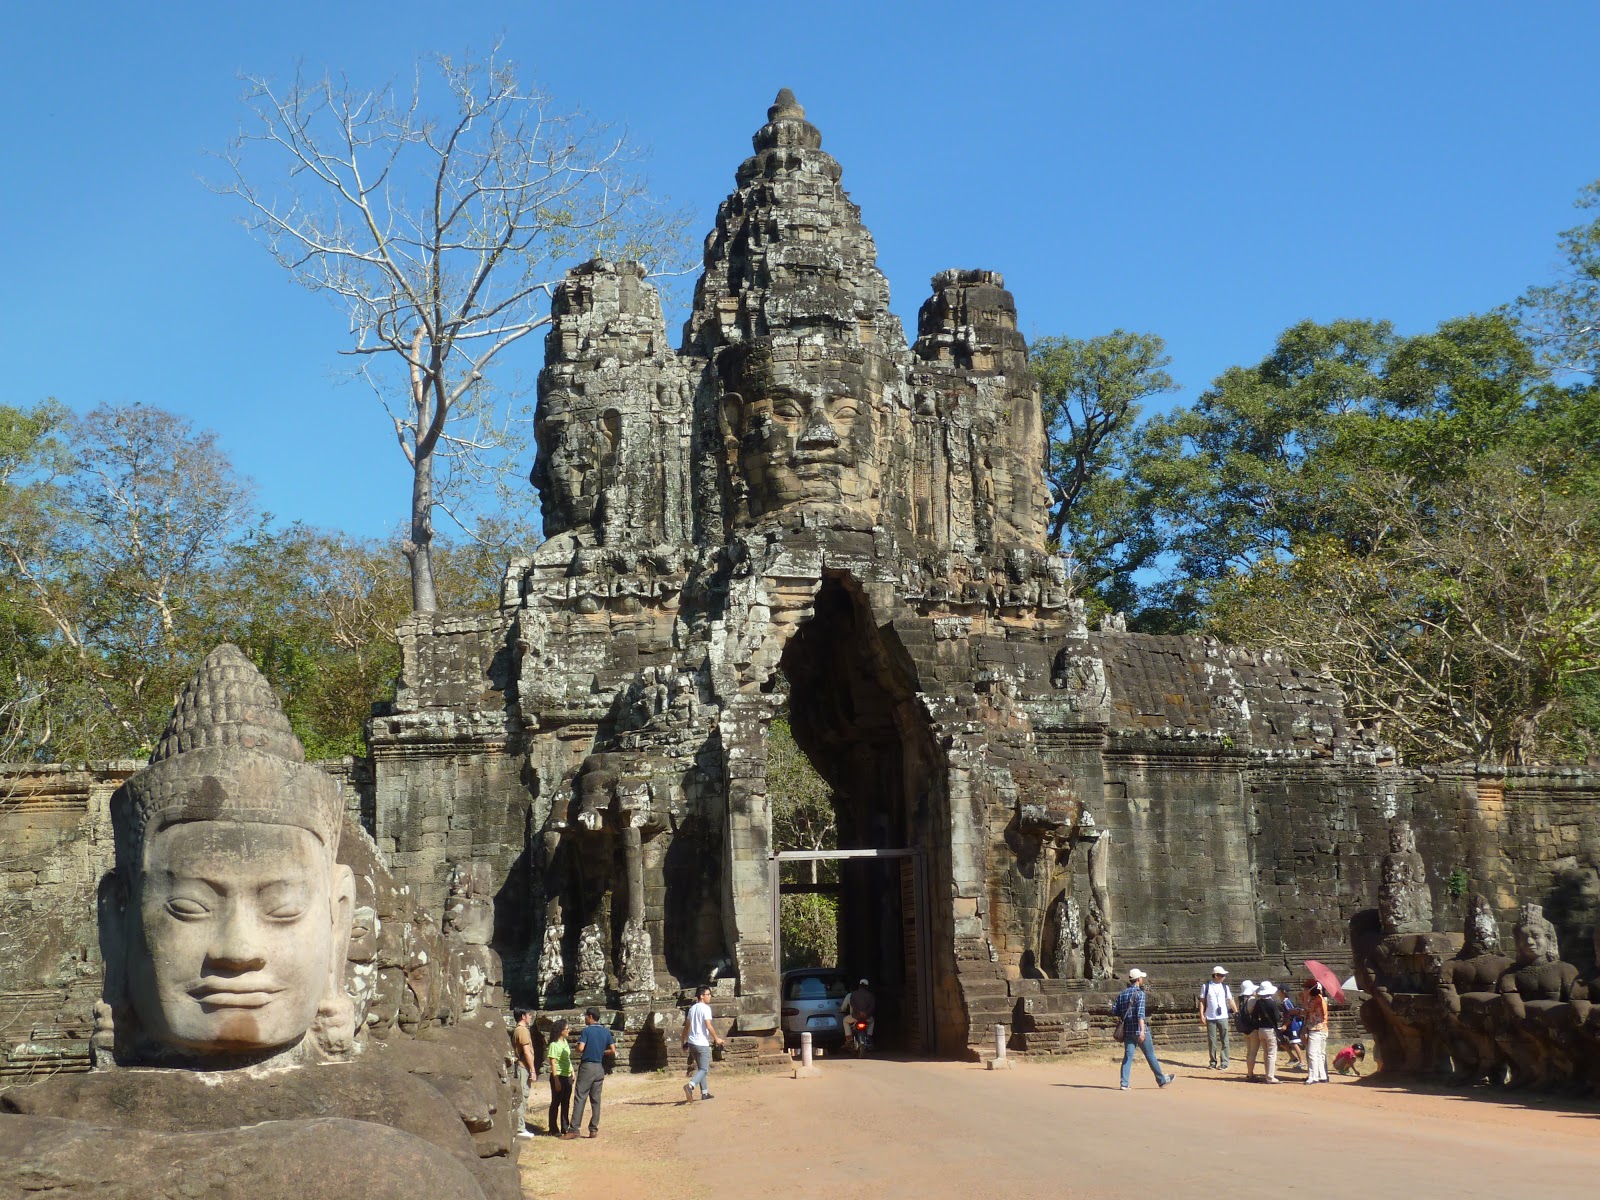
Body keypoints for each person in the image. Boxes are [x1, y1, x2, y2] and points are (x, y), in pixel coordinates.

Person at [1113, 968, 1175, 1091]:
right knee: (1150, 1054)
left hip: (1128, 1030)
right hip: (1138, 1029)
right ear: (1138, 979)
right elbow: (1140, 1014)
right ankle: (1161, 1079)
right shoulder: (1140, 994)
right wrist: (1142, 1031)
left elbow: (1114, 1010)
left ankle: (1124, 1082)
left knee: (1128, 1056)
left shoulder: (1123, 994)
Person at [562, 1008, 615, 1139]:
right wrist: (601, 1052)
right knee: (596, 1099)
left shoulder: (587, 1031)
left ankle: (574, 1129)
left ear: (590, 1017)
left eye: (586, 1016)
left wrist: (577, 1047)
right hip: (599, 1067)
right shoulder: (605, 1031)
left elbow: (580, 1048)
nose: (585, 1019)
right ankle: (593, 1129)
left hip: (587, 1067)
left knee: (580, 1097)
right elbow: (613, 1050)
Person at [682, 985, 726, 1102]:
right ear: (701, 996)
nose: (710, 996)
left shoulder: (692, 1009)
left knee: (701, 1068)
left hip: (692, 1043)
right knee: (704, 1069)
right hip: (701, 1043)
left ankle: (705, 1093)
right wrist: (716, 1039)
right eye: (708, 994)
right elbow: (708, 1025)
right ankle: (690, 1085)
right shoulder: (705, 1008)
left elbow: (686, 1026)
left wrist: (683, 1042)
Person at [1197, 965, 1238, 1070]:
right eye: (1221, 975)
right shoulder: (1206, 987)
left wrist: (1236, 1012)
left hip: (1223, 1016)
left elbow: (1230, 1000)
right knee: (1212, 1040)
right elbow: (1202, 1001)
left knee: (1225, 1040)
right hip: (1210, 1016)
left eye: (1224, 975)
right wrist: (1201, 1014)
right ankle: (1213, 1061)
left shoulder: (1225, 987)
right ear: (1215, 975)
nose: (1223, 977)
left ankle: (1224, 1061)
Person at [511, 1009, 538, 1138]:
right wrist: (532, 1069)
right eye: (529, 1015)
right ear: (523, 1016)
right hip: (523, 1067)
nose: (531, 1017)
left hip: (522, 1066)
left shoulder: (519, 1030)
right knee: (522, 1097)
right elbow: (526, 1052)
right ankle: (520, 1128)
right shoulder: (522, 1031)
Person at [546, 1019, 574, 1135]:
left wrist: (572, 1071)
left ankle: (565, 1126)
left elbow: (567, 1058)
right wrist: (556, 1080)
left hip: (567, 1075)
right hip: (558, 1076)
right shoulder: (554, 1045)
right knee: (556, 1102)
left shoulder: (565, 1042)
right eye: (566, 1029)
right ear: (560, 1031)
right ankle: (553, 1128)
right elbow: (552, 1063)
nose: (568, 1031)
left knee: (566, 1102)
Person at [1252, 982, 1283, 1083]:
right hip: (1270, 1030)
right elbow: (1277, 1018)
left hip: (1261, 1029)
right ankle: (1270, 1077)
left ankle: (1267, 1075)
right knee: (1271, 1054)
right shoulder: (1272, 1003)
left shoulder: (1258, 1002)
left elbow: (1254, 1017)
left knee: (1266, 1053)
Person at [1304, 981, 1331, 1085]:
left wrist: (1306, 997)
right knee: (1319, 1054)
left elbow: (1306, 1009)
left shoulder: (1315, 1000)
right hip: (1321, 1028)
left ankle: (1313, 1077)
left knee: (1312, 1053)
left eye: (1306, 989)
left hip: (1316, 1029)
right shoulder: (1320, 998)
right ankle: (1322, 1075)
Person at [843, 978, 877, 1048]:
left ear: (859, 985)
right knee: (872, 1021)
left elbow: (852, 1004)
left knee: (845, 1020)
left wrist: (859, 1012)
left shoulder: (853, 994)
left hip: (855, 1016)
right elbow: (872, 1006)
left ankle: (849, 1039)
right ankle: (869, 1036)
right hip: (866, 1017)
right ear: (867, 986)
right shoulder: (870, 995)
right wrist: (866, 1013)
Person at [1237, 980, 1260, 1078]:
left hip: (1245, 1029)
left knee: (1249, 1052)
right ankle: (1250, 1073)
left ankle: (1250, 1072)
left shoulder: (1241, 1001)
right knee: (1253, 1053)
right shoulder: (1253, 1001)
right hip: (1253, 1029)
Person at [1279, 991, 1306, 1071]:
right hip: (1288, 1025)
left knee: (1294, 1042)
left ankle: (1302, 1061)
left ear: (1282, 992)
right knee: (1280, 1040)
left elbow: (1292, 1013)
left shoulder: (1287, 1002)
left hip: (1291, 1025)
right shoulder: (1284, 1002)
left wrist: (1286, 1025)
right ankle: (1293, 1057)